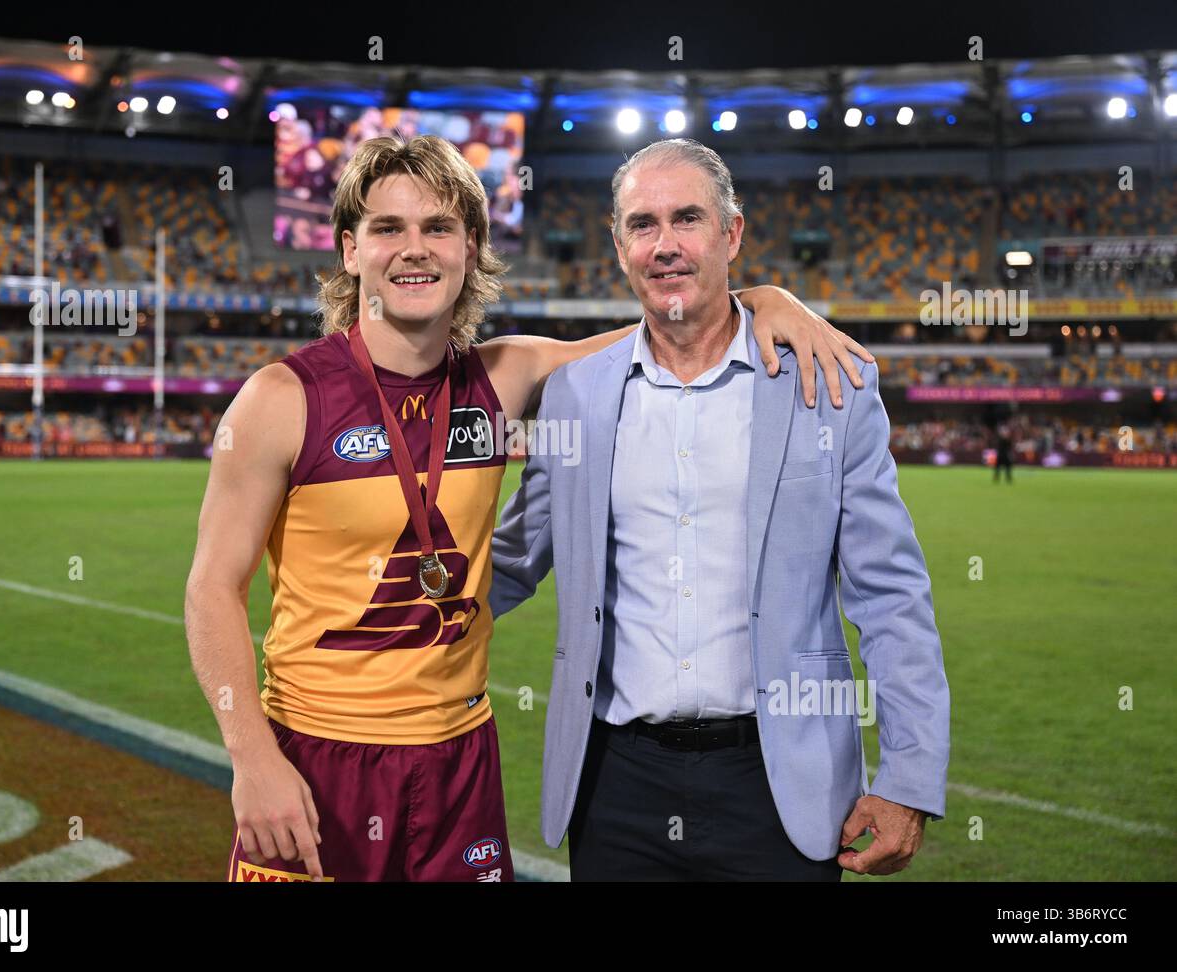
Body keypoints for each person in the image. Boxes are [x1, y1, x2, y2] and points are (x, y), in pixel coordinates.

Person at [185, 133, 870, 883]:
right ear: (350, 249)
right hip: (317, 756)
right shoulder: (280, 400)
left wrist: (762, 299)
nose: (414, 250)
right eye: (388, 228)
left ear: (471, 247)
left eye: (438, 228)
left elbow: (676, 331)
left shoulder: (507, 376)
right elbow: (213, 587)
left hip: (460, 761)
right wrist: (252, 759)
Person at [491, 138, 950, 881]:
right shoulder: (577, 397)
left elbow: (891, 593)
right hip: (615, 785)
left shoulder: (829, 385)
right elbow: (512, 560)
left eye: (687, 219)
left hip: (778, 784)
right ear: (617, 244)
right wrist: (378, 619)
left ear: (732, 233)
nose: (665, 244)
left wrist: (910, 775)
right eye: (642, 224)